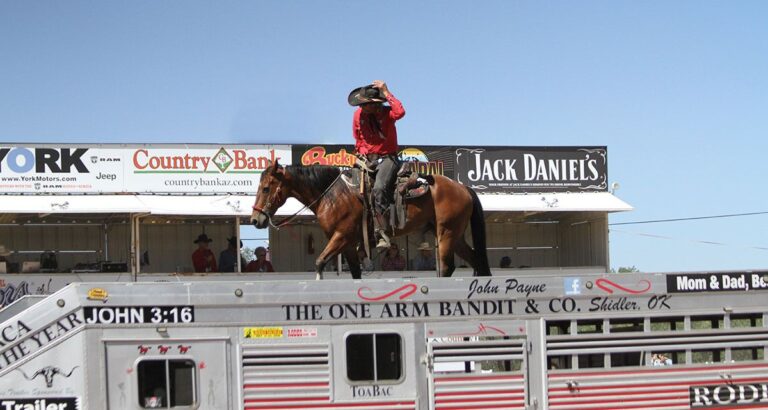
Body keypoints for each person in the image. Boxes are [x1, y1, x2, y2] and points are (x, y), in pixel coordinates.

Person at [348, 80, 405, 249]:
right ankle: (358, 230)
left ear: (376, 105)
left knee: (379, 188)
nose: (362, 107)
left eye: (366, 104)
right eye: (362, 104)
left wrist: (386, 91)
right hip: (366, 159)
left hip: (388, 158)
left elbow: (400, 112)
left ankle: (382, 231)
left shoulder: (388, 114)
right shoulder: (358, 115)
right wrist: (360, 154)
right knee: (351, 189)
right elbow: (357, 137)